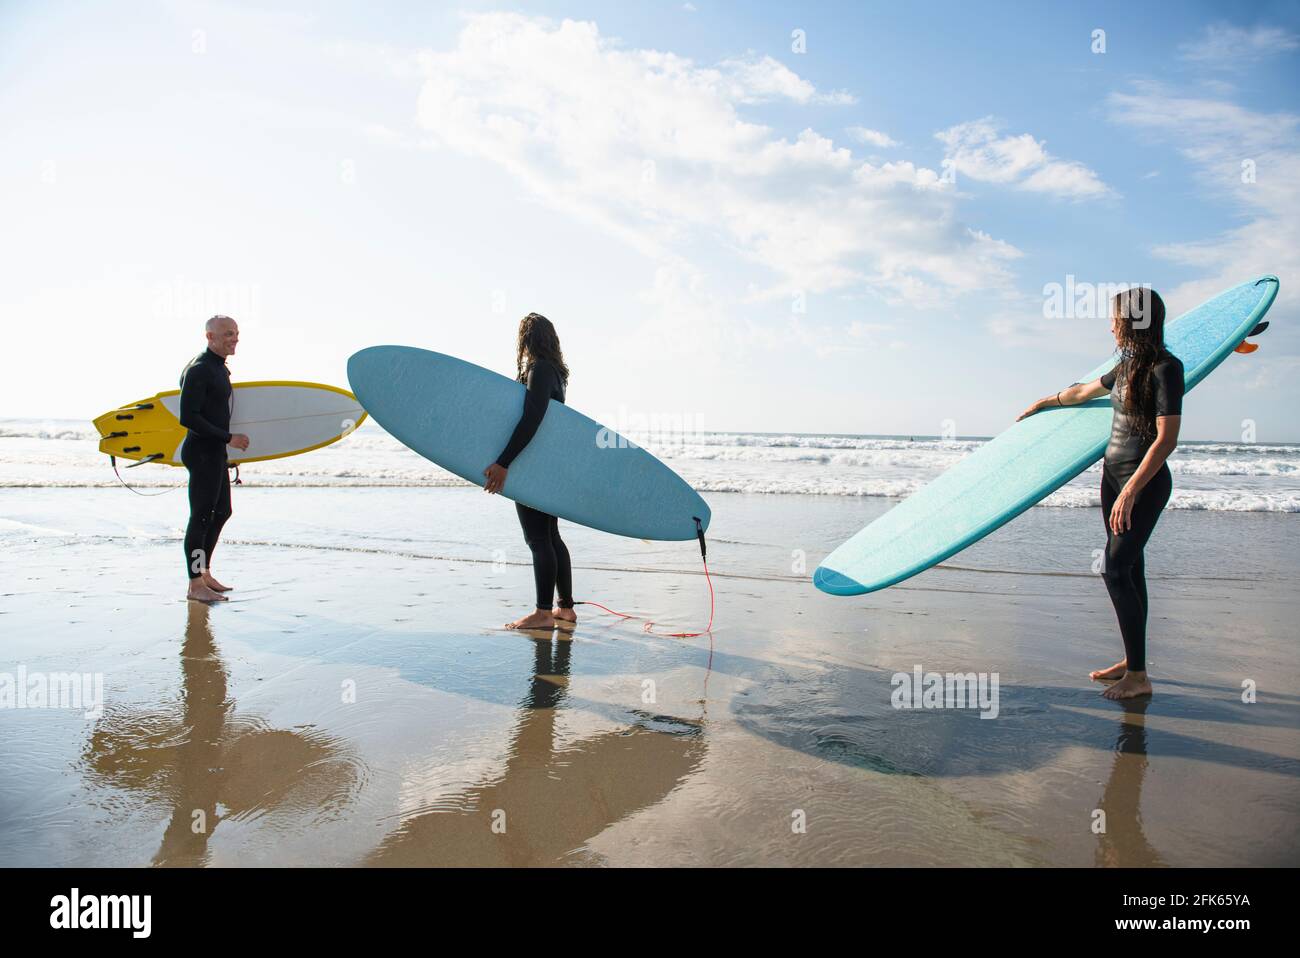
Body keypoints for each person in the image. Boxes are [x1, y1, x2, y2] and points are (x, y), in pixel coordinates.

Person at [1018, 287, 1182, 700]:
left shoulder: (1166, 369)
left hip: (1142, 484)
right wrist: (1045, 402)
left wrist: (1130, 490)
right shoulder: (1125, 368)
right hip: (1113, 477)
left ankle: (1140, 678)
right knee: (1131, 569)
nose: (1110, 325)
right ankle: (1133, 660)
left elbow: (1166, 440)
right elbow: (1081, 392)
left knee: (1113, 569)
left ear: (1132, 321)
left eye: (1115, 318)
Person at [483, 313, 576, 631]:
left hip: (533, 464)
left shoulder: (538, 370)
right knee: (551, 535)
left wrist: (504, 462)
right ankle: (565, 609)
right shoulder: (556, 374)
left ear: (525, 340)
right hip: (551, 465)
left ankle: (542, 613)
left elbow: (532, 418)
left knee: (538, 539)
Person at [178, 315, 250, 602]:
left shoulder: (218, 368)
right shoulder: (199, 369)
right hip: (202, 452)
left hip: (215, 452)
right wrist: (228, 438)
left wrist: (225, 448)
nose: (234, 338)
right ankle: (195, 584)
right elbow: (189, 417)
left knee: (222, 512)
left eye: (236, 333)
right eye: (228, 334)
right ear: (210, 336)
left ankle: (204, 573)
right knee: (201, 516)